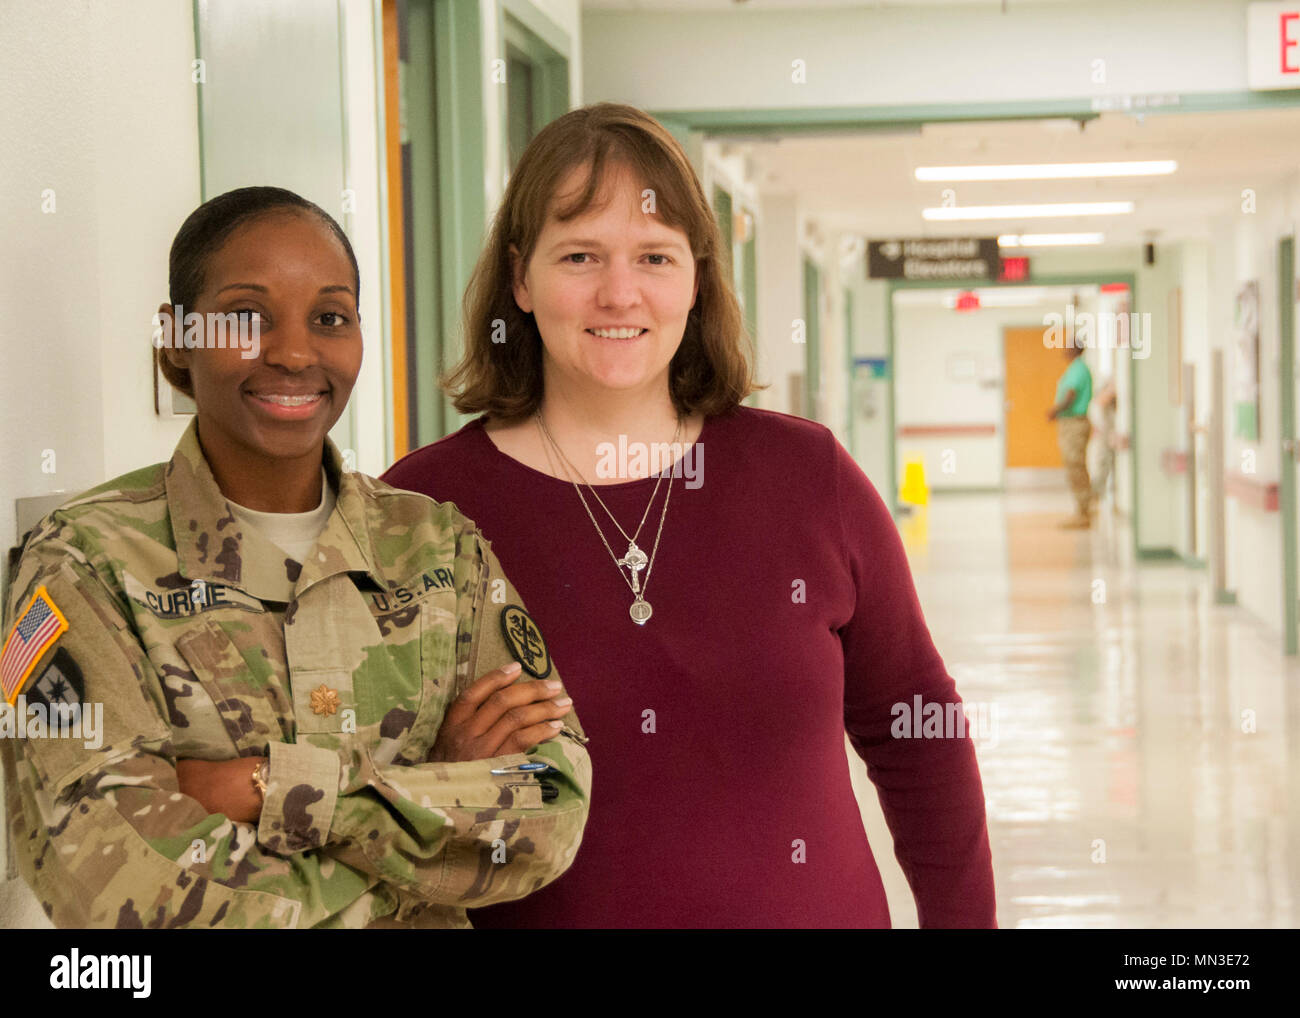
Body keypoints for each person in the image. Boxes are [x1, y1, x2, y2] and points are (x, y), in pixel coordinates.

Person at [383, 103, 996, 928]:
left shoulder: (807, 476)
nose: (619, 291)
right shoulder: (425, 510)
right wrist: (444, 767)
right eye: (580, 255)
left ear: (698, 277)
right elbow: (362, 787)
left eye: (654, 256)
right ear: (521, 280)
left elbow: (915, 725)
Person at [0, 186, 590, 929]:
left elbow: (551, 806)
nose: (293, 352)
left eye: (330, 318)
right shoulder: (81, 565)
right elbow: (112, 878)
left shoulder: (440, 548)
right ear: (176, 336)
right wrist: (422, 817)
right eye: (246, 317)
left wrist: (267, 786)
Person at [1048, 342, 1094, 528]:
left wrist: (1055, 410)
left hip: (1075, 422)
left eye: (1067, 347)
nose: (1063, 350)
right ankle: (1083, 509)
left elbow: (1070, 394)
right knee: (1074, 465)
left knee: (1075, 465)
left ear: (1075, 349)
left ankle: (1083, 513)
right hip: (1071, 422)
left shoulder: (1078, 368)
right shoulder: (1076, 368)